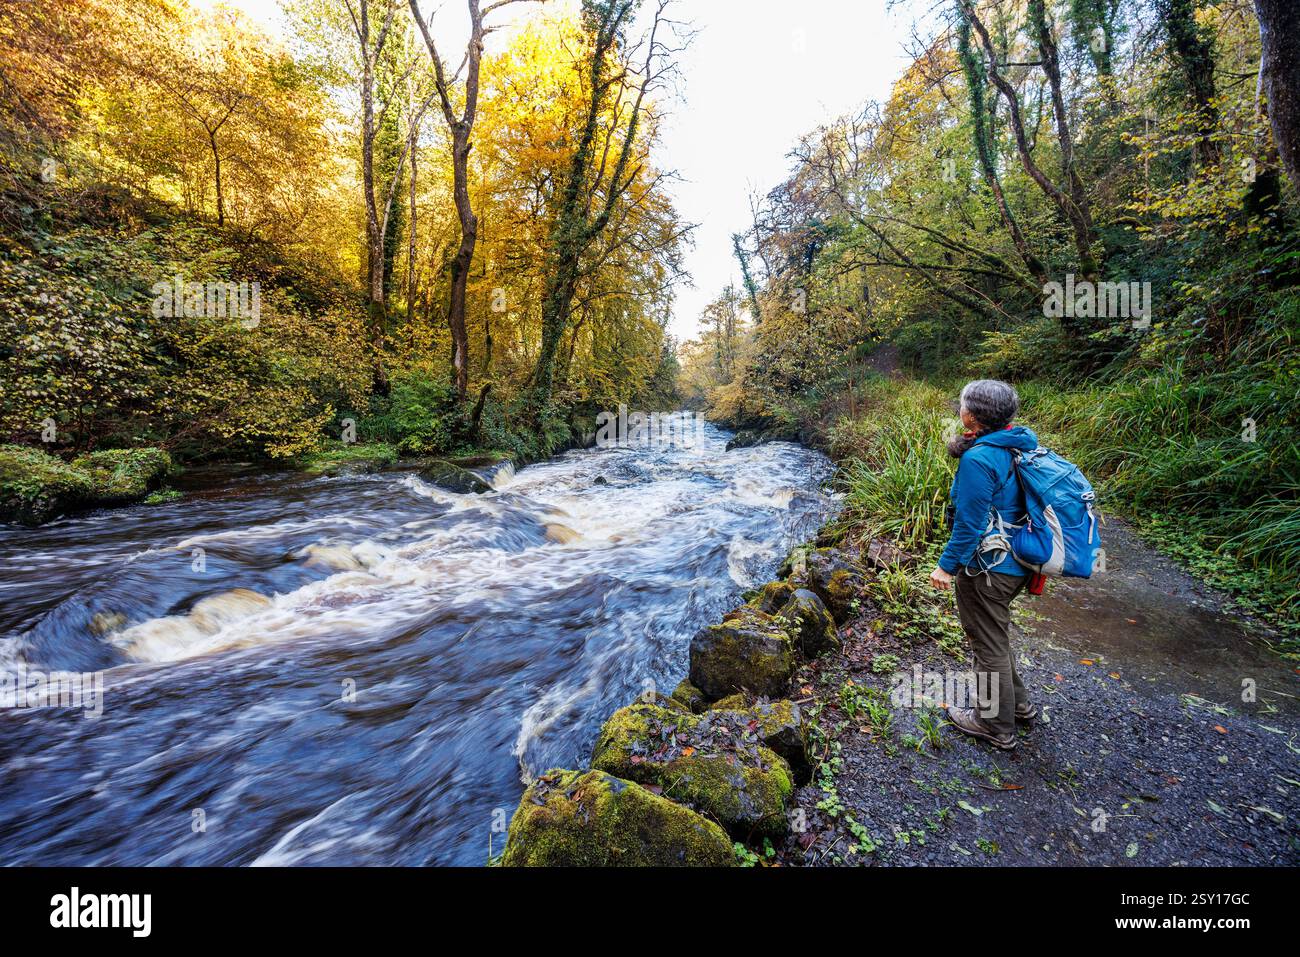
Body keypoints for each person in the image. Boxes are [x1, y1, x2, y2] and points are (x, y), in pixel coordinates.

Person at [929, 379, 1040, 751]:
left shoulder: (979, 458)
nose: (958, 409)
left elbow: (970, 523)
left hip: (989, 568)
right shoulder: (1017, 443)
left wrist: (946, 566)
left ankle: (994, 724)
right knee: (996, 636)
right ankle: (1019, 706)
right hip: (1019, 561)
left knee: (986, 644)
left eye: (962, 404)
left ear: (972, 415)